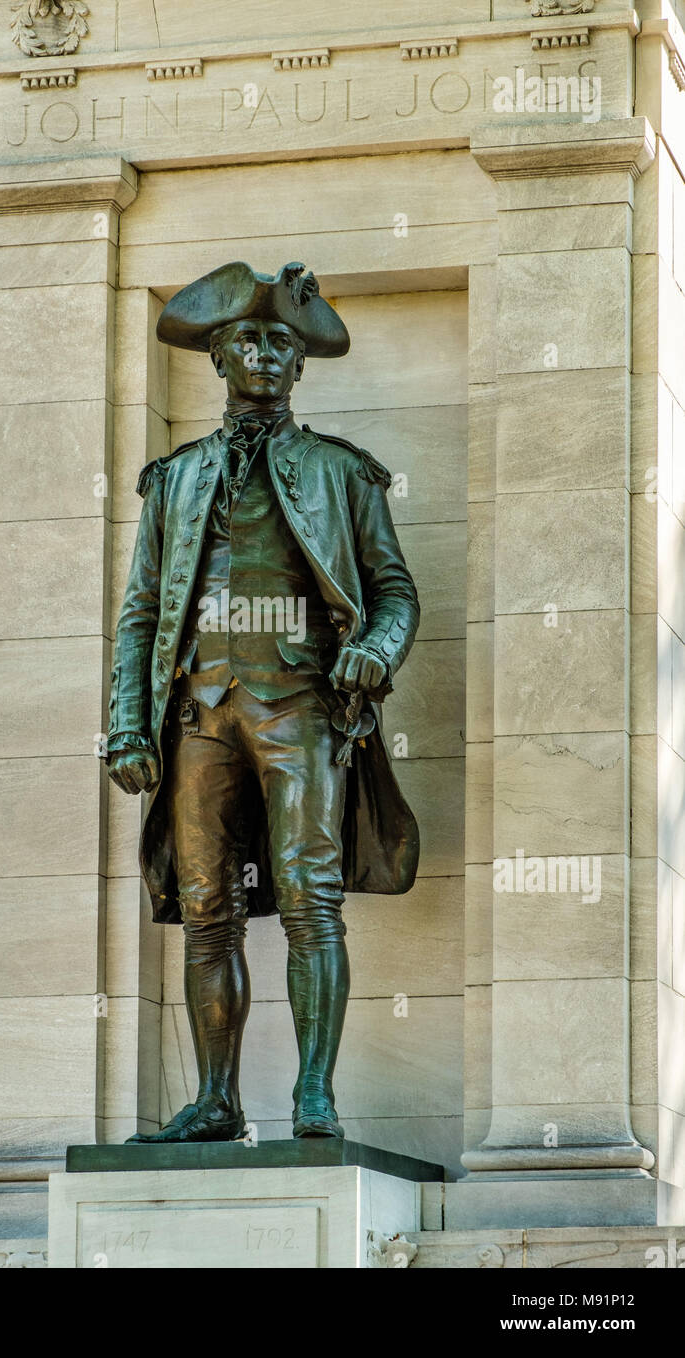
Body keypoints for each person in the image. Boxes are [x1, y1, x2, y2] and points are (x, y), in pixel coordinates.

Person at [106, 260, 420, 1143]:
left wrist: (374, 645)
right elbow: (138, 614)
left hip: (304, 709)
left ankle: (313, 1095)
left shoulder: (340, 472)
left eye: (281, 339)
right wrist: (129, 720)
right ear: (216, 357)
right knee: (207, 911)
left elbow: (395, 592)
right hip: (199, 716)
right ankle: (216, 1099)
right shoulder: (172, 480)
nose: (264, 352)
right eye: (246, 337)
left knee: (312, 900)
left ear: (299, 363)